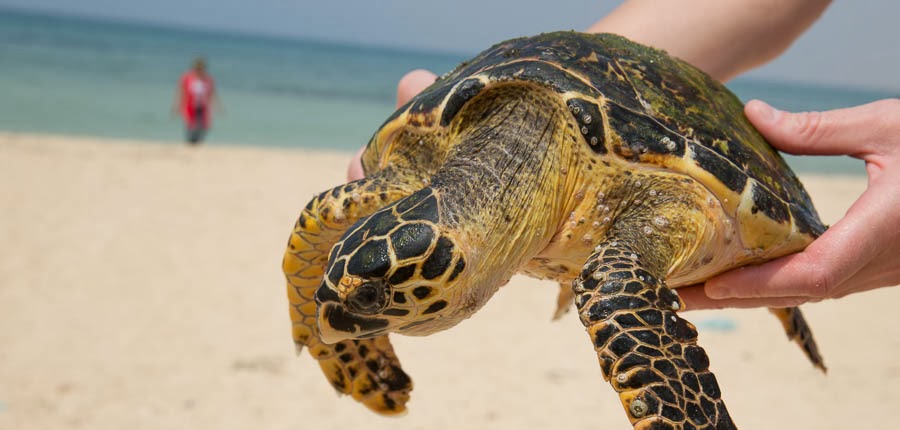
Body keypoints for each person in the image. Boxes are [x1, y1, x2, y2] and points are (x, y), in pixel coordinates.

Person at [347, 0, 900, 309]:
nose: (342, 314)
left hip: (669, 194)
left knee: (617, 300)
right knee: (336, 211)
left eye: (373, 300)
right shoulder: (425, 159)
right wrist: (584, 62)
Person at [174, 57, 221, 144]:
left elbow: (212, 93)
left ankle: (197, 142)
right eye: (197, 68)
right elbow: (181, 93)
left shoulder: (208, 79)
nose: (199, 70)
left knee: (204, 126)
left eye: (201, 68)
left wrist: (218, 106)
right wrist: (177, 106)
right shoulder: (187, 78)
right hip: (190, 105)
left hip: (202, 106)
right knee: (191, 125)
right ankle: (190, 142)